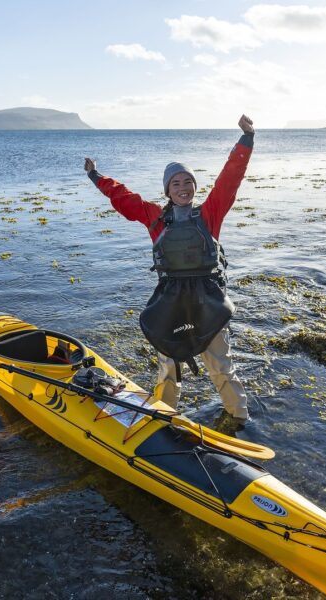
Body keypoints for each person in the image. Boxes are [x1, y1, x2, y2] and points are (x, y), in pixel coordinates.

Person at [84, 115, 255, 423]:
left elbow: (230, 179)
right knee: (168, 365)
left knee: (220, 364)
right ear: (167, 190)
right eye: (176, 183)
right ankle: (163, 418)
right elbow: (122, 197)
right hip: (172, 300)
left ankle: (239, 418)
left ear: (194, 187)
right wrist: (96, 176)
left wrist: (246, 140)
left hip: (208, 300)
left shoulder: (211, 212)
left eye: (188, 182)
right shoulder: (155, 217)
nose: (183, 187)